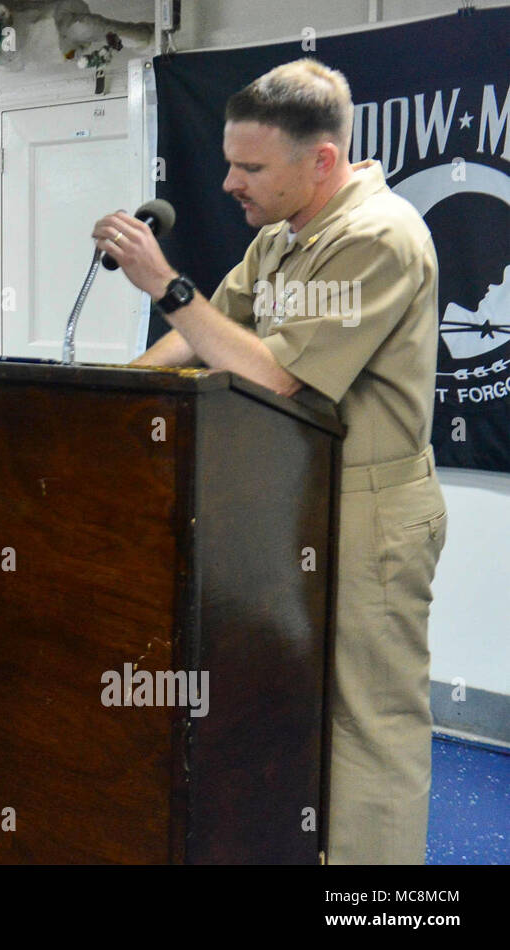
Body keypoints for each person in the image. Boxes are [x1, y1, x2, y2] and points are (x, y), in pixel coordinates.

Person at [93, 58, 445, 865]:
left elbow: (278, 376)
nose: (227, 183)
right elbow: (214, 328)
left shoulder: (378, 238)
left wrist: (166, 285)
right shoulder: (287, 235)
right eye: (228, 161)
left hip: (370, 513)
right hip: (293, 505)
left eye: (250, 167)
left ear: (320, 161)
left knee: (370, 726)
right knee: (295, 709)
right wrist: (109, 392)